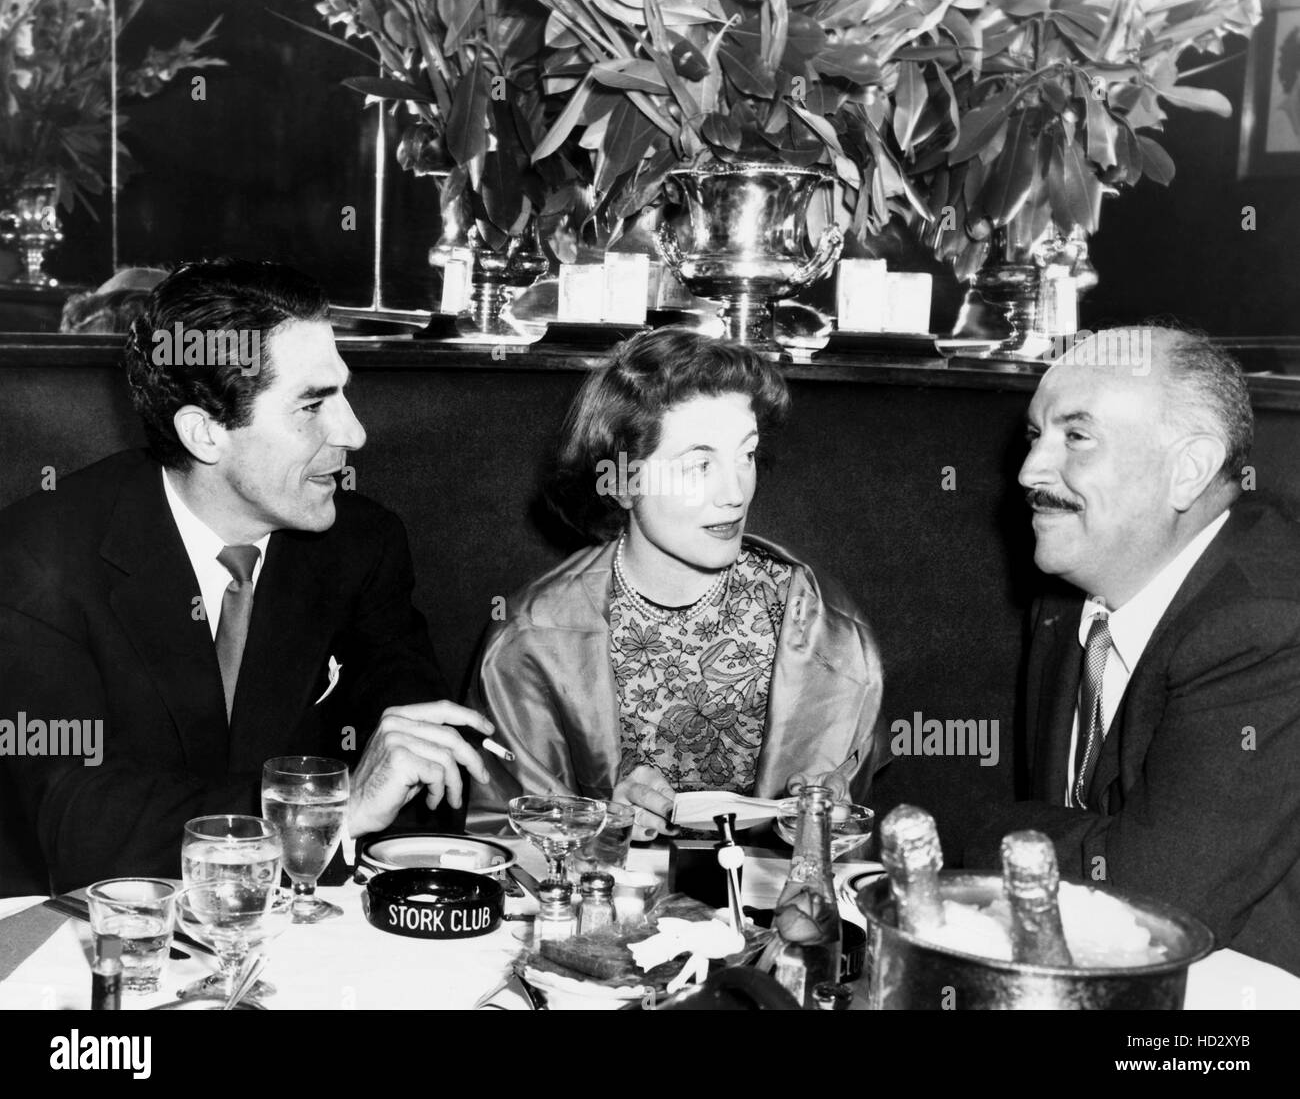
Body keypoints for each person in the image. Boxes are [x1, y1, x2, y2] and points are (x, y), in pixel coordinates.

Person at [0, 259, 492, 894]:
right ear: (206, 434)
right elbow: (76, 821)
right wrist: (320, 813)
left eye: (343, 393)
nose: (355, 432)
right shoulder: (38, 557)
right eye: (313, 405)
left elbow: (423, 779)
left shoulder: (361, 545)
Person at [963, 326, 1300, 975]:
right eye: (1036, 436)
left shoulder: (1271, 623)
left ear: (1189, 470)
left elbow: (1157, 904)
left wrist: (962, 830)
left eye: (1077, 436)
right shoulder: (1070, 595)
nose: (1030, 470)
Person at [465, 330, 884, 839]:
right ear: (622, 483)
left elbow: (848, 819)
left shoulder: (815, 622)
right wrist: (601, 826)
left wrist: (827, 810)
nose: (734, 493)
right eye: (699, 464)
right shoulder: (534, 637)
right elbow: (505, 837)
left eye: (746, 455)